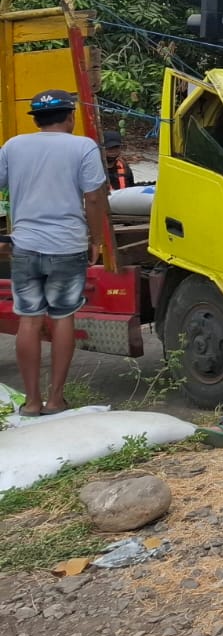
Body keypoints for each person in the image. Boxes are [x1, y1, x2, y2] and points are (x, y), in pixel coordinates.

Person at [0, 90, 110, 417]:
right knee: (62, 318)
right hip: (67, 246)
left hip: (26, 245)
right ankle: (55, 398)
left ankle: (31, 402)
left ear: (36, 119)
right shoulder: (82, 146)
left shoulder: (14, 146)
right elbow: (93, 198)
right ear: (70, 116)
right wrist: (97, 239)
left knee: (29, 321)